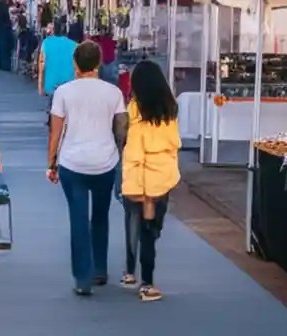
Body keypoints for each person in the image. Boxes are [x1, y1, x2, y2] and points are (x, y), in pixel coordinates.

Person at [45, 41, 127, 295]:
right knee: (100, 217)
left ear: (75, 64)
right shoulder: (113, 93)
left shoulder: (64, 92)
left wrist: (51, 163)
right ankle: (100, 269)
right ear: (99, 63)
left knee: (78, 219)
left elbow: (55, 131)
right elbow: (122, 128)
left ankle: (82, 277)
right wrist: (117, 150)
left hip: (73, 162)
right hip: (105, 162)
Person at [121, 61, 181, 302]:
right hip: (160, 178)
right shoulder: (170, 110)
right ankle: (147, 282)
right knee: (151, 231)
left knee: (132, 225)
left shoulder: (133, 109)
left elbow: (128, 140)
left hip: (137, 176)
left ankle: (130, 273)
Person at [39, 18, 77, 123]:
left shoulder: (46, 43)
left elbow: (41, 63)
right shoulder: (74, 45)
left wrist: (40, 84)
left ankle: (52, 120)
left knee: (53, 105)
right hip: (69, 82)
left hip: (51, 82)